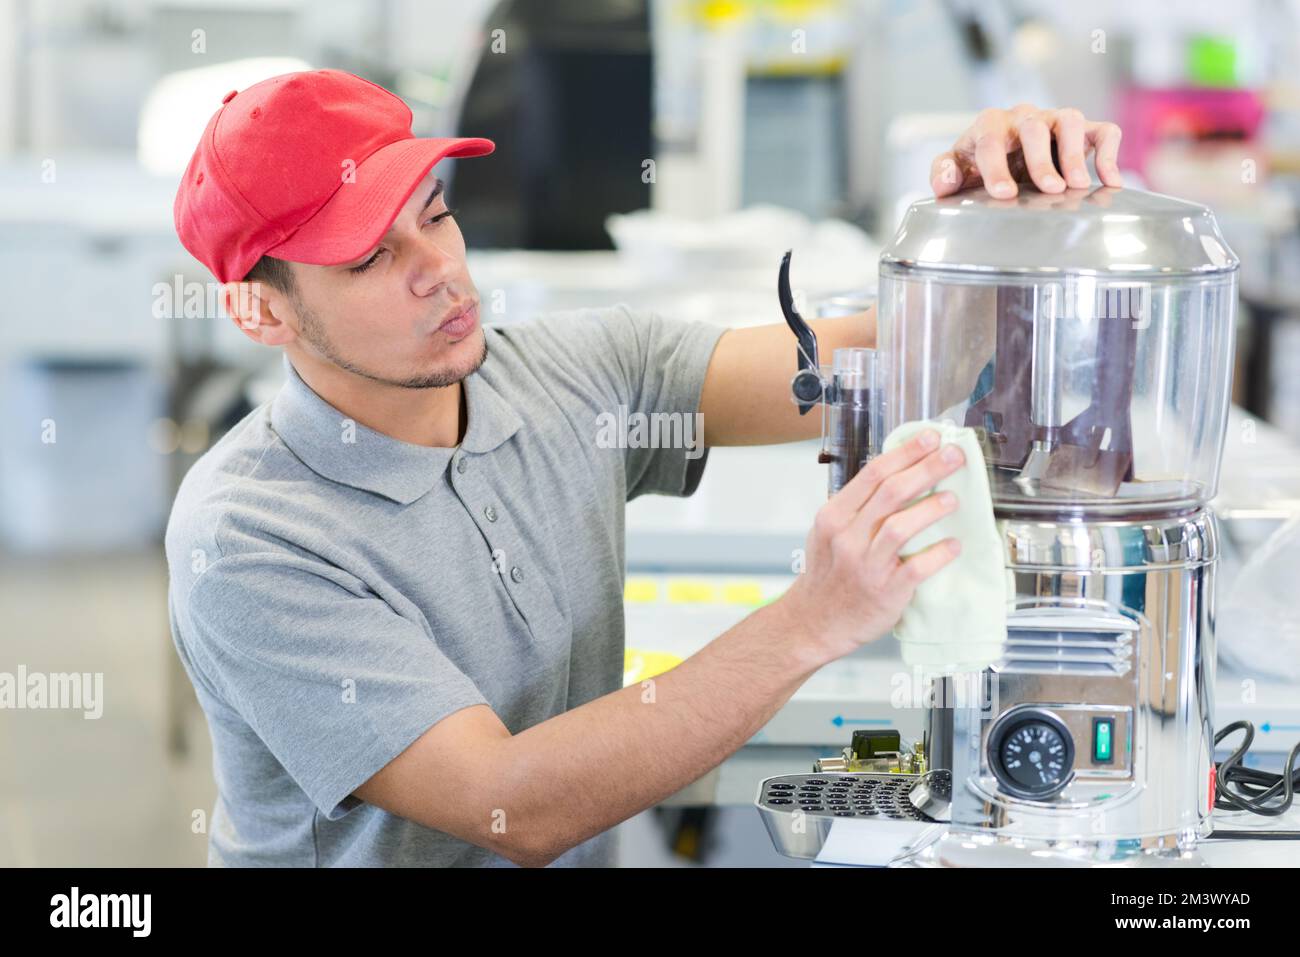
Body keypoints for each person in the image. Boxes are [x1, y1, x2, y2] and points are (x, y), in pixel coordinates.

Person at [167, 69, 1124, 867]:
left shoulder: (571, 374)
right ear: (262, 311)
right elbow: (513, 806)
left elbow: (924, 355)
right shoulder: (250, 534)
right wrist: (814, 617)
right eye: (373, 256)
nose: (440, 270)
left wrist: (999, 220)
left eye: (438, 215)